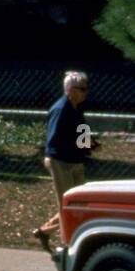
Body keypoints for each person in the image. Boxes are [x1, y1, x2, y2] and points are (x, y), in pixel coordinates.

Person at [33, 70, 95, 251]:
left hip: (75, 161)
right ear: (70, 90)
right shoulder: (60, 110)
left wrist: (90, 144)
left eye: (86, 88)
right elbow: (54, 141)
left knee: (79, 203)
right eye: (82, 89)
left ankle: (44, 232)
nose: (85, 92)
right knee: (68, 205)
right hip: (60, 162)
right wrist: (79, 143)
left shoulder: (78, 108)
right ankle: (66, 244)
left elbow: (83, 131)